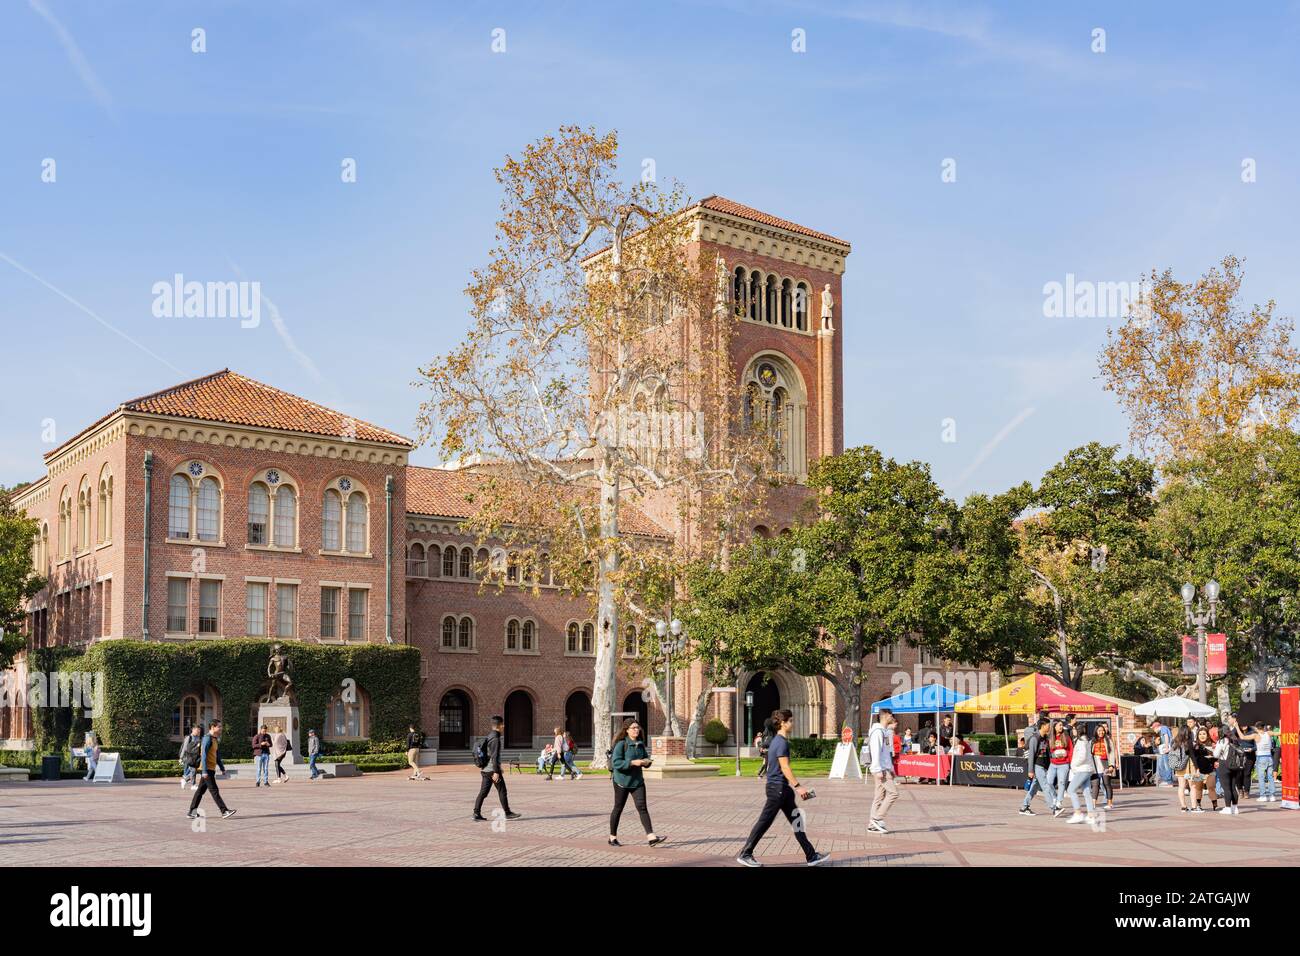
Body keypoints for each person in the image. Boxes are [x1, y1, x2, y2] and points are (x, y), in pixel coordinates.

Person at [736, 709, 830, 867]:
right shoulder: (780, 742)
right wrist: (798, 787)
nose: (792, 723)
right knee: (764, 822)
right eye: (790, 721)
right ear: (783, 723)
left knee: (797, 822)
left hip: (782, 790)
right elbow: (785, 767)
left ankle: (811, 856)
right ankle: (746, 854)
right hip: (777, 789)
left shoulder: (777, 741)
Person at [608, 720, 666, 847]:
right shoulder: (621, 744)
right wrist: (632, 763)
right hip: (621, 781)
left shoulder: (640, 744)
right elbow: (615, 763)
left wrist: (647, 762)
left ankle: (651, 837)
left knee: (642, 808)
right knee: (618, 808)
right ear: (627, 730)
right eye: (633, 728)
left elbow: (645, 758)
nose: (636, 730)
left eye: (637, 727)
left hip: (637, 781)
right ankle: (612, 837)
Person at [473, 715, 520, 822]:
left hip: (486, 770)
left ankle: (476, 813)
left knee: (483, 793)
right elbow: (494, 756)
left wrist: (498, 768)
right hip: (491, 771)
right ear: (500, 725)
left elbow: (492, 755)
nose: (504, 726)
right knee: (502, 791)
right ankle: (507, 813)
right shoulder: (496, 739)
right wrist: (496, 771)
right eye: (503, 724)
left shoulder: (490, 736)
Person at [187, 718, 235, 819]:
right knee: (214, 790)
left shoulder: (214, 739)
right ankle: (224, 811)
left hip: (210, 769)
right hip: (207, 769)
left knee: (200, 791)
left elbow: (216, 756)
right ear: (213, 727)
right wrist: (204, 771)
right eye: (219, 726)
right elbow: (203, 755)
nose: (221, 728)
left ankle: (192, 812)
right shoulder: (207, 738)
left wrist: (222, 768)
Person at [866, 709, 899, 834]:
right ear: (885, 716)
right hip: (881, 769)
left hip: (884, 768)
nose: (892, 717)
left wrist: (891, 768)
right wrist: (878, 769)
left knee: (879, 796)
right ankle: (877, 818)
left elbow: (886, 753)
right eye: (891, 715)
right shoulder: (878, 732)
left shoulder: (883, 731)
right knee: (893, 793)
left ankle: (872, 824)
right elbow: (875, 751)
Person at [1020, 718, 1057, 816]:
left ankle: (1024, 806)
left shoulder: (1045, 738)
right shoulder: (1034, 738)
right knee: (1046, 786)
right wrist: (1030, 770)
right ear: (1043, 726)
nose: (1049, 727)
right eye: (1048, 725)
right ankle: (1054, 808)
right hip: (1037, 765)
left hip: (1044, 765)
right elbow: (1031, 755)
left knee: (1034, 786)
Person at [1064, 723, 1098, 825]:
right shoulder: (1085, 740)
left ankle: (1078, 813)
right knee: (1086, 792)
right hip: (1086, 769)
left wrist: (1073, 765)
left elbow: (1082, 756)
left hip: (1082, 769)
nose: (1073, 731)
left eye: (1074, 729)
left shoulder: (1081, 741)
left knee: (1071, 789)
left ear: (1078, 730)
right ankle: (1091, 815)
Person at [1212, 724, 1242, 814]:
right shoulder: (1234, 739)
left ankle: (1227, 808)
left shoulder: (1221, 741)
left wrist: (1213, 750)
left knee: (1226, 788)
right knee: (1233, 787)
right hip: (1234, 765)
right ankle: (1235, 808)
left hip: (1224, 765)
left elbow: (1216, 755)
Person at [1189, 727, 1218, 812]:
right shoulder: (1195, 746)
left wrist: (1213, 757)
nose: (1202, 736)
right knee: (1198, 788)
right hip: (1199, 770)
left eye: (1204, 734)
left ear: (1207, 735)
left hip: (1210, 770)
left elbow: (1217, 757)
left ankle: (1215, 805)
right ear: (1197, 735)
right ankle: (1198, 805)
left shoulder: (1212, 745)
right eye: (1200, 734)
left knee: (1211, 787)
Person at [1047, 719, 1072, 812]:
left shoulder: (1066, 736)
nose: (1061, 727)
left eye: (1062, 725)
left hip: (1064, 764)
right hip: (1053, 764)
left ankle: (1059, 802)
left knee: (1061, 783)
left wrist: (1069, 762)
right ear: (1054, 726)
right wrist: (1051, 755)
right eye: (1059, 725)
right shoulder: (1050, 737)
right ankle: (1054, 797)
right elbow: (1048, 751)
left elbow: (1071, 750)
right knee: (1049, 782)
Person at [1090, 724, 1116, 811]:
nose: (1101, 732)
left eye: (1102, 730)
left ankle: (1110, 803)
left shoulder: (1108, 740)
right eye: (1099, 730)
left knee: (1106, 783)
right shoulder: (1092, 741)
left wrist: (1111, 765)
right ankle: (1093, 804)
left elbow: (1112, 753)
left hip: (1105, 763)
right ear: (1096, 732)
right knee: (1095, 784)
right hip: (1095, 764)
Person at [1252, 722, 1277, 803]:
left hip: (1261, 757)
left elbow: (1242, 737)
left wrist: (1237, 727)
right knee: (1270, 777)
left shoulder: (1256, 735)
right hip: (1269, 757)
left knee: (1261, 777)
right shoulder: (1268, 733)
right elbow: (1280, 733)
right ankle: (1272, 796)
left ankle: (1263, 796)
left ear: (1256, 728)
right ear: (1264, 727)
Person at [1150, 720, 1174, 786]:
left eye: (1154, 729)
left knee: (1166, 766)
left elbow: (1166, 737)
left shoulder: (1163, 728)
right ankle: (1167, 780)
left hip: (1166, 750)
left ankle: (1169, 782)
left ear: (1156, 727)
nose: (1154, 731)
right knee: (1164, 765)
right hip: (1166, 749)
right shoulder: (1163, 729)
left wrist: (1166, 748)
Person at [179, 724, 203, 789]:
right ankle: (193, 785)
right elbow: (184, 748)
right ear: (193, 730)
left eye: (199, 731)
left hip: (195, 757)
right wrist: (181, 758)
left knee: (194, 770)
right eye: (197, 730)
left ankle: (185, 780)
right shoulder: (189, 737)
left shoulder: (199, 738)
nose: (198, 732)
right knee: (193, 770)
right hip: (188, 757)